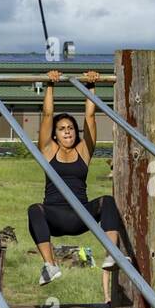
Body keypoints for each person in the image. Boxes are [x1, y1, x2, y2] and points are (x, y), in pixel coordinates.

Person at [27, 69, 123, 288]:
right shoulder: (48, 150)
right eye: (62, 129)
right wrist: (50, 84)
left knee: (107, 201)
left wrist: (91, 85)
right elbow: (47, 116)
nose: (67, 132)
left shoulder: (84, 151)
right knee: (34, 209)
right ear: (54, 134)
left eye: (70, 128)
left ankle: (112, 255)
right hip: (55, 217)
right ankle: (50, 266)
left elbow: (90, 116)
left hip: (81, 216)